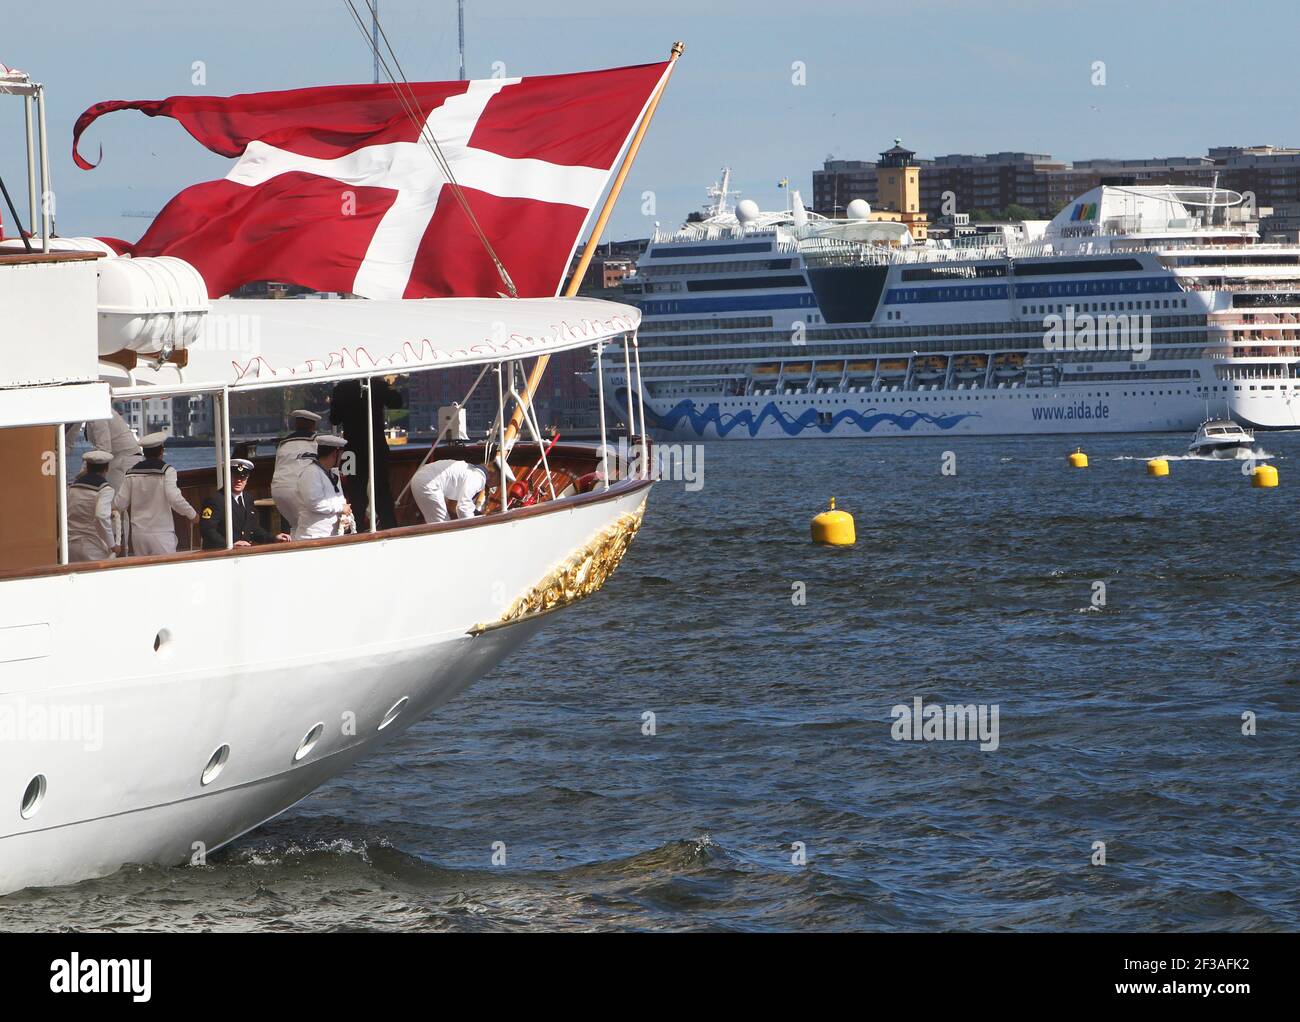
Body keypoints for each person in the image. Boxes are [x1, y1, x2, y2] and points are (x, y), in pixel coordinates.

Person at [329, 375, 404, 529]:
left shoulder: (341, 389)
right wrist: (382, 383)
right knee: (382, 489)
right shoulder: (376, 385)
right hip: (376, 446)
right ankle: (389, 525)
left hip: (352, 448)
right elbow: (397, 401)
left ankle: (356, 528)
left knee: (354, 490)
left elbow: (334, 419)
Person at [113, 432, 198, 555]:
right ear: (161, 451)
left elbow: (119, 503)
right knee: (166, 572)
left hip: (139, 535)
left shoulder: (131, 473)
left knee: (144, 571)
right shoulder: (167, 471)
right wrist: (192, 515)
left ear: (144, 453)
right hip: (161, 533)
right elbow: (174, 498)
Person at [200, 458, 291, 550]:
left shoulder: (248, 498)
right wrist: (230, 545)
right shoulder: (215, 500)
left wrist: (274, 538)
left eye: (242, 477)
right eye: (235, 477)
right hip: (220, 554)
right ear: (227, 477)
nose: (239, 481)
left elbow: (253, 529)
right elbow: (207, 531)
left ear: (247, 479)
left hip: (243, 553)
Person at [410, 458, 513, 524]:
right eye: (499, 482)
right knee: (441, 527)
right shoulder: (478, 477)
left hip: (423, 479)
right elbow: (463, 508)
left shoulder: (473, 472)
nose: (497, 486)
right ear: (494, 474)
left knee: (438, 525)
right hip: (428, 482)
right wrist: (475, 529)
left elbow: (462, 506)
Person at [292, 434, 354, 540]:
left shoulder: (331, 473)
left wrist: (345, 517)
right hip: (313, 537)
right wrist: (340, 508)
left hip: (330, 535)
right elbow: (315, 503)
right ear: (335, 454)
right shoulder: (311, 473)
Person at [270, 408, 321, 531]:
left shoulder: (283, 443)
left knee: (295, 525)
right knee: (312, 526)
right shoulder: (317, 442)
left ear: (296, 424)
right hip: (298, 490)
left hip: (278, 491)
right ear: (313, 425)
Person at [66, 450, 118, 562]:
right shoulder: (105, 490)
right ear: (106, 468)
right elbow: (101, 516)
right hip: (93, 547)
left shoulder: (72, 487)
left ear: (87, 467)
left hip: (70, 545)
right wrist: (112, 545)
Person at [86, 410, 143, 493]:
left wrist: (84, 473)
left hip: (123, 460)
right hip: (123, 458)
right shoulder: (100, 411)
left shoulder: (98, 414)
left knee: (117, 499)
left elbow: (104, 448)